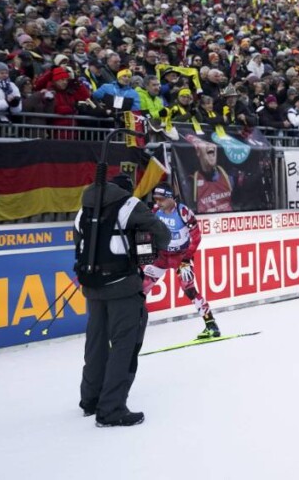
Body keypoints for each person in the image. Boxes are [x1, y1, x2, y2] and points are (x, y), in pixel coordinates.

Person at [74, 172, 170, 428]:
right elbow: (162, 234)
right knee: (125, 346)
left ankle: (91, 400)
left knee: (95, 344)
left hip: (93, 287)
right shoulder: (129, 205)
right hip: (123, 287)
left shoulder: (85, 207)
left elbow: (78, 242)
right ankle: (112, 409)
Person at [144, 185, 221, 339]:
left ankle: (211, 325)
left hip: (181, 257)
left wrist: (186, 258)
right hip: (162, 257)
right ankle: (127, 331)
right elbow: (146, 231)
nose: (158, 202)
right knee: (141, 290)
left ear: (172, 198)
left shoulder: (183, 212)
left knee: (190, 290)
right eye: (156, 199)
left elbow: (196, 238)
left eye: (162, 199)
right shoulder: (154, 210)